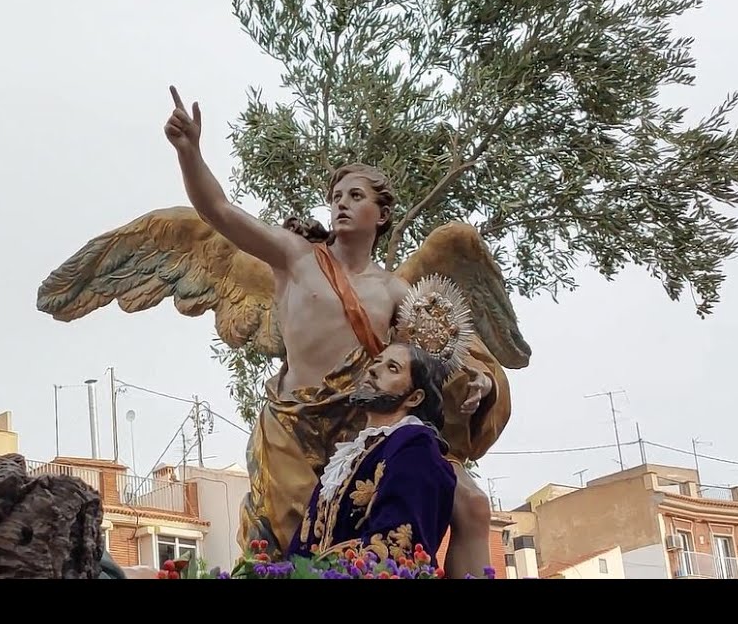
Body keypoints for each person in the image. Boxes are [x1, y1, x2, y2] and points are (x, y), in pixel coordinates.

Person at [163, 86, 508, 578]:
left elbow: (434, 354)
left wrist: (481, 381)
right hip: (291, 424)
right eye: (335, 197)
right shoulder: (295, 257)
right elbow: (218, 210)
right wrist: (190, 153)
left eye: (355, 196)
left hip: (359, 427)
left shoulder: (394, 291)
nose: (341, 205)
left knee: (465, 501)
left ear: (382, 214)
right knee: (283, 549)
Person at [286, 340, 457, 564]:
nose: (373, 369)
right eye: (377, 362)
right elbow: (302, 547)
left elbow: (398, 547)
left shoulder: (415, 448)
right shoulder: (350, 456)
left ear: (414, 397)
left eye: (392, 367)